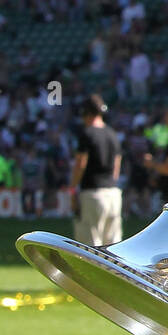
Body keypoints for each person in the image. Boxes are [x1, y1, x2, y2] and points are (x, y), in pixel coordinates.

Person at [71, 94, 123, 246]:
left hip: (93, 194)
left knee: (91, 246)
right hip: (113, 194)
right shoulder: (112, 134)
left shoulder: (87, 134)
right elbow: (116, 167)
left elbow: (81, 164)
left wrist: (73, 189)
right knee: (113, 247)